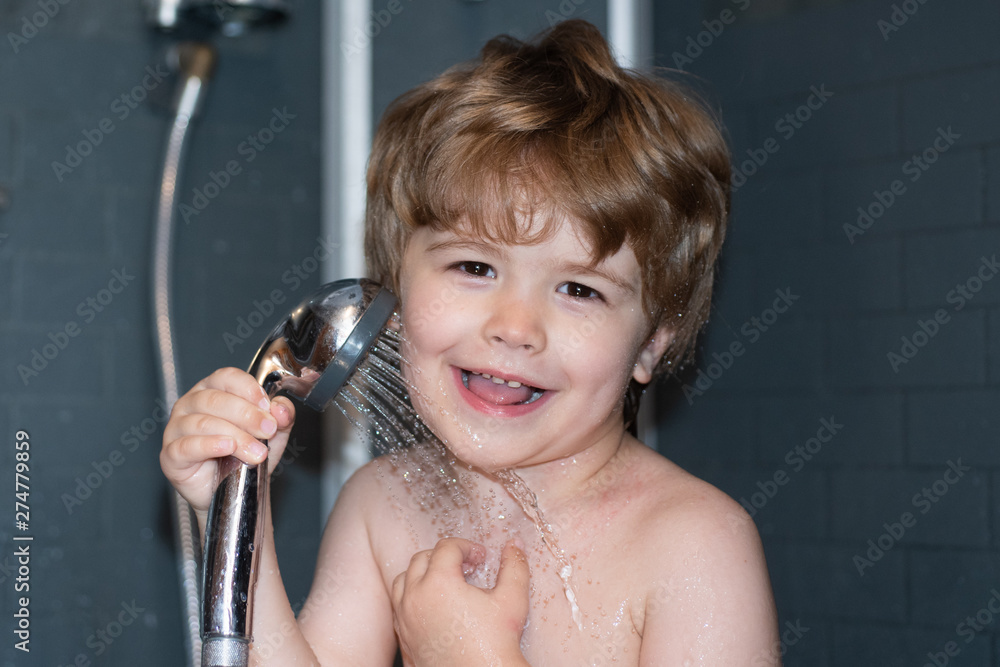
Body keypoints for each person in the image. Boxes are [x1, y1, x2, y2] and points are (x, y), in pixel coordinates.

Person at [161, 19, 779, 666]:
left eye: (579, 290)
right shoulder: (382, 507)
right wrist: (236, 514)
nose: (515, 326)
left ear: (650, 345)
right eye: (474, 268)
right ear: (392, 298)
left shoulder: (693, 545)